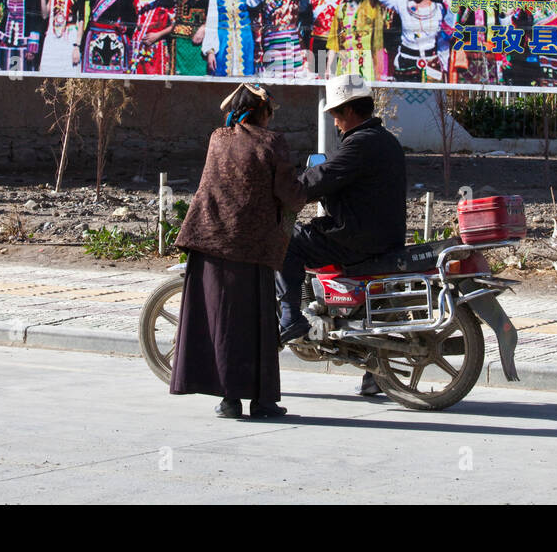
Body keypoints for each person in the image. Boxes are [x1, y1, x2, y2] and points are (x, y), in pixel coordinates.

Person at [172, 83, 307, 420]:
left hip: (210, 244)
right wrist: (308, 191)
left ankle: (229, 400)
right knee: (257, 325)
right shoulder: (273, 142)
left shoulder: (218, 138)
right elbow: (289, 194)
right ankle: (262, 402)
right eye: (270, 112)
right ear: (262, 112)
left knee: (222, 323)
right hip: (251, 249)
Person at [277, 73, 407, 397]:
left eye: (336, 114)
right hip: (384, 236)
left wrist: (286, 190)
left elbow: (322, 176)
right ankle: (374, 373)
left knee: (287, 240)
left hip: (355, 238)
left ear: (348, 111)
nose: (335, 122)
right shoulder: (386, 140)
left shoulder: (360, 144)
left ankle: (290, 318)